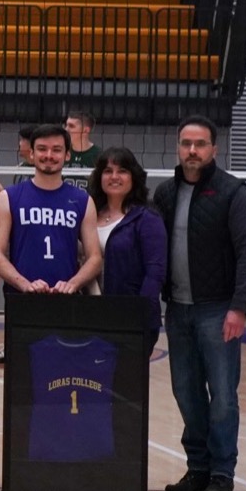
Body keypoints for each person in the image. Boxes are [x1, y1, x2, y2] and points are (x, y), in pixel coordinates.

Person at [151, 116, 246, 491]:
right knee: (186, 393)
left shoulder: (234, 194)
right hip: (177, 310)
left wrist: (239, 307)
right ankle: (197, 468)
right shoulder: (164, 194)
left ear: (214, 149)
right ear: (178, 148)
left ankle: (221, 473)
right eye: (185, 144)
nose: (192, 151)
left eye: (200, 144)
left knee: (223, 396)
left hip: (219, 310)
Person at [0, 123, 102, 296]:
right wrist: (25, 284)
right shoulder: (8, 197)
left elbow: (94, 258)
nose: (49, 155)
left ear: (67, 155)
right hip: (21, 297)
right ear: (32, 154)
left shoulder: (83, 200)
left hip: (66, 298)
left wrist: (72, 284)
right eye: (42, 149)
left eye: (56, 150)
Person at [88, 147, 167, 353]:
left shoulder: (147, 218)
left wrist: (137, 316)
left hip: (129, 319)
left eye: (122, 171)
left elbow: (155, 273)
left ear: (133, 177)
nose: (114, 177)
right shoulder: (89, 213)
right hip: (89, 314)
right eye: (107, 171)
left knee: (125, 383)